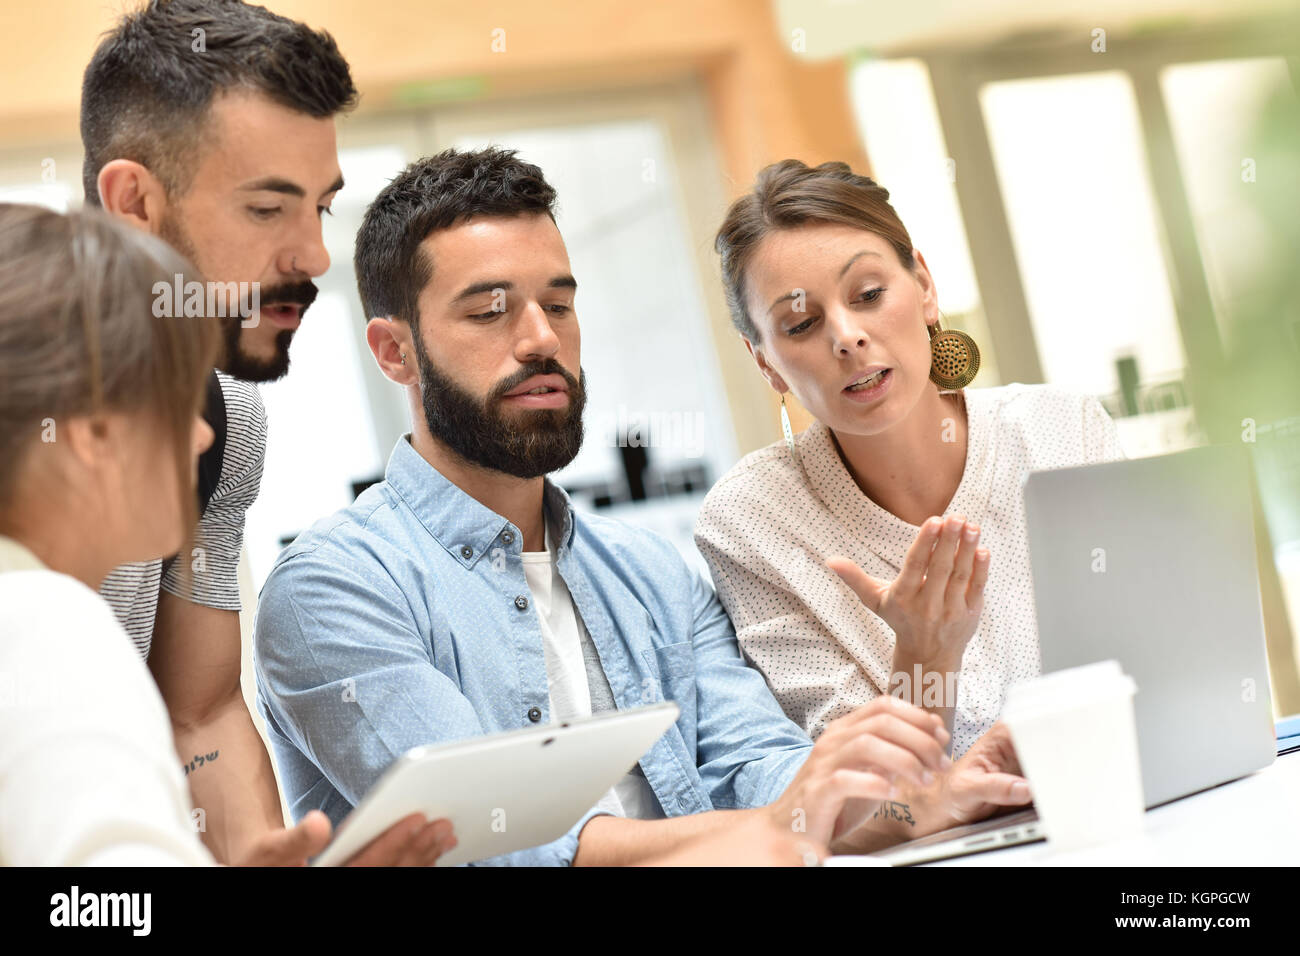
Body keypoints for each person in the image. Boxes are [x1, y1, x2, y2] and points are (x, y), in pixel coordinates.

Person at [253, 147, 1018, 866]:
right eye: (489, 312)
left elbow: (770, 775)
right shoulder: (331, 590)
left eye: (558, 304)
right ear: (395, 351)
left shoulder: (655, 575)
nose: (539, 339)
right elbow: (500, 838)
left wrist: (921, 805)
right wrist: (790, 821)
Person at [79, 0, 446, 865]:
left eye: (321, 207)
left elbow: (197, 711)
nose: (316, 256)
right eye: (266, 211)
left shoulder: (226, 423)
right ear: (133, 201)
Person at [694, 159, 1124, 831]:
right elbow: (866, 813)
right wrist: (927, 655)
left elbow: (1155, 677)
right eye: (800, 325)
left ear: (923, 286)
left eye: (867, 293)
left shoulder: (1061, 431)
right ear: (765, 361)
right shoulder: (752, 522)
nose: (847, 337)